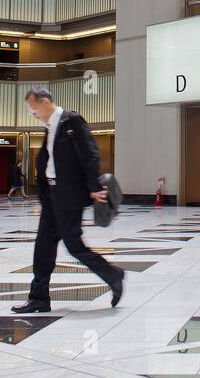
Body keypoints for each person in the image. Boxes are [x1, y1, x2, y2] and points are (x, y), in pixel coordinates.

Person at [12, 87, 124, 314]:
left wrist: (93, 188)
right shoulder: (50, 127)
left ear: (45, 102)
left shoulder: (71, 121)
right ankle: (39, 298)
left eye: (33, 109)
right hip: (51, 197)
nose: (33, 113)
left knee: (74, 245)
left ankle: (113, 275)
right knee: (43, 247)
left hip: (69, 196)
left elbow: (90, 154)